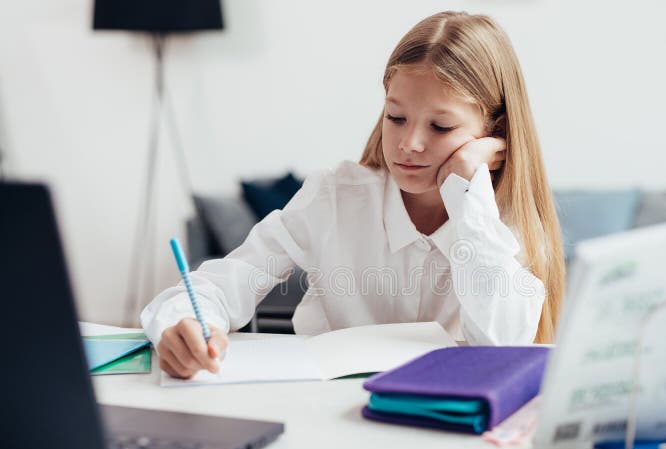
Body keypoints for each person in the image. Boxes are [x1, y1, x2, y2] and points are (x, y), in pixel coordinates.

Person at [141, 11, 565, 379]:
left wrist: (468, 194)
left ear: (494, 132)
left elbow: (503, 346)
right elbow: (221, 284)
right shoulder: (335, 196)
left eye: (440, 127)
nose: (409, 143)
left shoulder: (505, 221)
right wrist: (183, 323)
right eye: (396, 117)